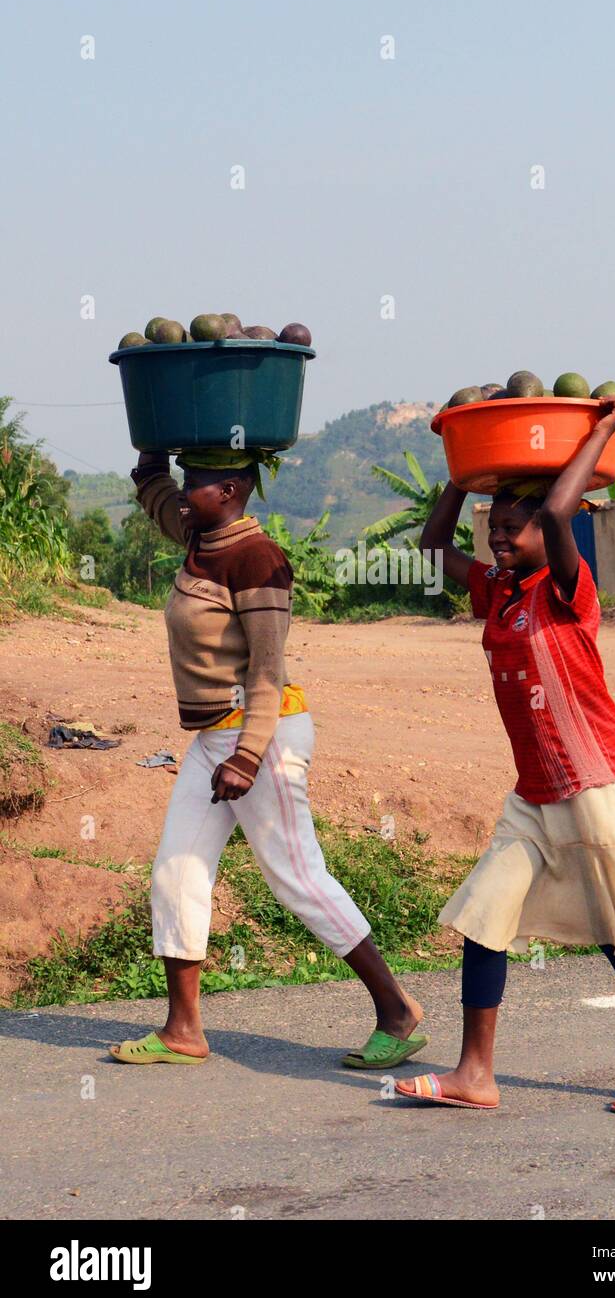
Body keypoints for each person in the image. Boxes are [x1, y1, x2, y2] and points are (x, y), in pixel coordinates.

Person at [396, 396, 615, 1114]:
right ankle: (476, 1074)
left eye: (511, 528)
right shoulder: (496, 590)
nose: (498, 539)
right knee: (484, 915)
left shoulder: (568, 589)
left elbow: (563, 515)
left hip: (594, 781)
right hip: (534, 793)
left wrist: (599, 432)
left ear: (542, 532)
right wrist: (460, 474)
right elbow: (432, 546)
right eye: (493, 528)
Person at [110, 448, 427, 1069]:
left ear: (228, 491)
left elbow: (267, 669)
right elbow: (156, 497)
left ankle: (396, 1009)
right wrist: (152, 454)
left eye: (195, 483)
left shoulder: (259, 560)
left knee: (297, 877)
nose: (184, 492)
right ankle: (184, 1029)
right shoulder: (200, 535)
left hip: (263, 735)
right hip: (212, 742)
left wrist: (249, 755)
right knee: (176, 873)